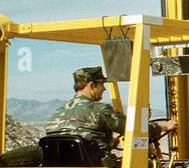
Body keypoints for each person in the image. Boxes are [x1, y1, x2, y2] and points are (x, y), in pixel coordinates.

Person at [45, 66, 174, 157]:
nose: (104, 89)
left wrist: (114, 142)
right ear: (92, 86)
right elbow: (135, 129)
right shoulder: (100, 110)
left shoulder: (57, 113)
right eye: (102, 85)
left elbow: (83, 138)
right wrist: (164, 127)